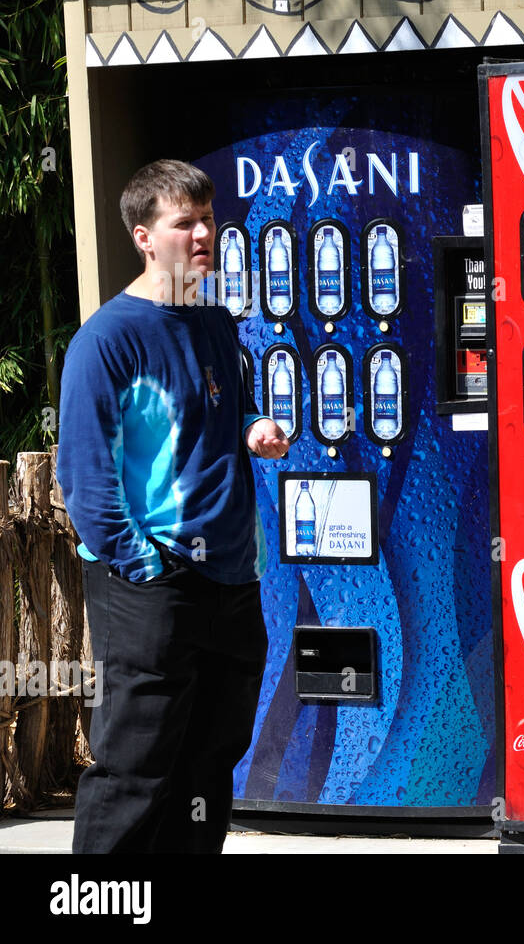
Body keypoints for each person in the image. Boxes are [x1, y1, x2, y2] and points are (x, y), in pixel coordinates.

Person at [58, 160, 289, 853]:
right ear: (142, 236)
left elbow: (217, 408)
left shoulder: (216, 321)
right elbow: (85, 474)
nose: (201, 234)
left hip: (229, 579)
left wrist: (252, 426)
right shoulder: (106, 339)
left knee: (208, 763)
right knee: (136, 767)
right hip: (150, 581)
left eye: (207, 218)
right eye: (182, 221)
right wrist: (142, 565)